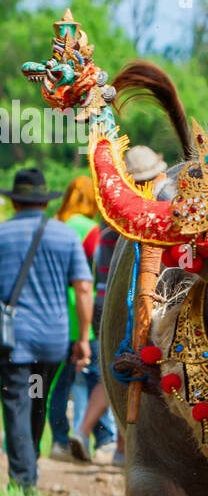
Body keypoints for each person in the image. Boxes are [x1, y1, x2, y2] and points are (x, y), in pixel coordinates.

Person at [69, 146, 168, 465]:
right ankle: (90, 432)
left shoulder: (111, 220)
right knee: (122, 368)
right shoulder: (147, 221)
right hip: (133, 306)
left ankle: (122, 447)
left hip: (104, 302)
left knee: (120, 368)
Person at [0, 167, 92, 493]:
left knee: (16, 404)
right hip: (53, 342)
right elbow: (83, 288)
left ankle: (23, 482)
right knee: (37, 397)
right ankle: (30, 463)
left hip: (14, 342)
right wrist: (83, 338)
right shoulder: (65, 235)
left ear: (14, 203)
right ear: (44, 202)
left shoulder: (2, 234)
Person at [48, 175, 117, 462]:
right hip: (82, 314)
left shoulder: (53, 225)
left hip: (53, 313)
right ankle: (102, 441)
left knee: (58, 383)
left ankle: (59, 442)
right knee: (94, 376)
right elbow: (91, 276)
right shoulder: (91, 230)